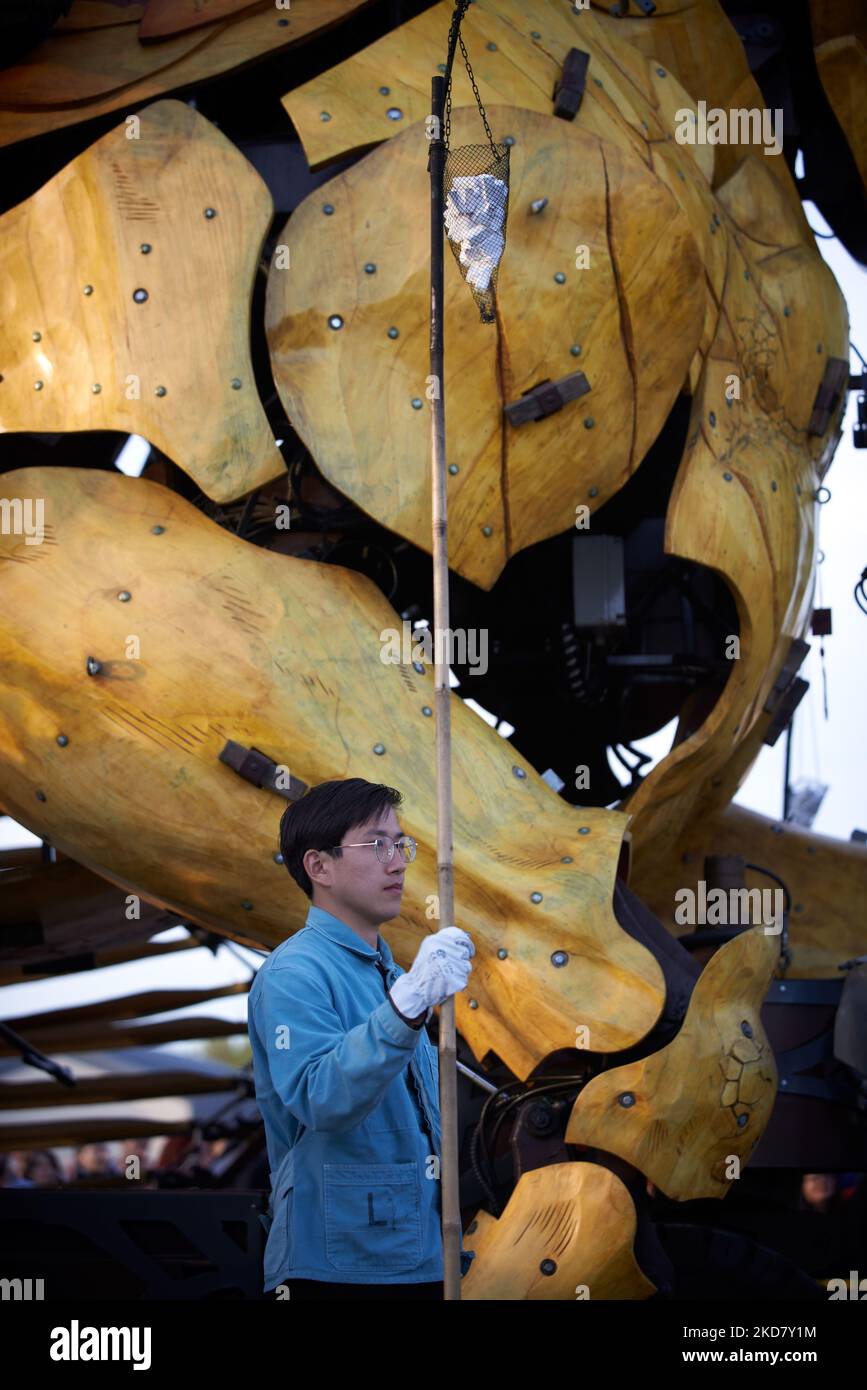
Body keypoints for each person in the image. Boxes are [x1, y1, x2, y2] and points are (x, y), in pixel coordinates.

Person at [248, 777, 476, 1299]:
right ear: (319, 866)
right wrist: (410, 1004)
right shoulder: (295, 972)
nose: (397, 862)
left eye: (401, 845)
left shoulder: (393, 976)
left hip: (415, 1259)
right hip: (337, 1267)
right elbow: (320, 1097)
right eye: (377, 845)